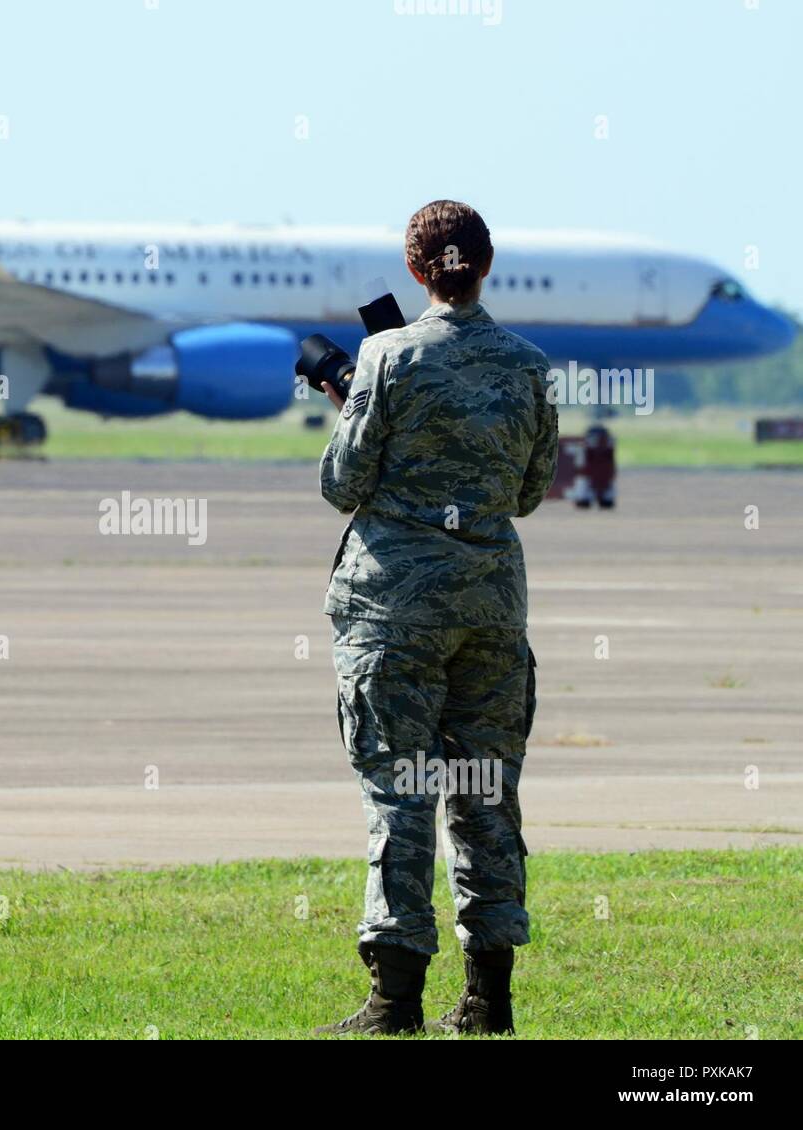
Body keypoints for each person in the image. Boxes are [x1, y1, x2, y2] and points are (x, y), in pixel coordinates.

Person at [314, 200, 558, 1036]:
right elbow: (528, 491)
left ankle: (394, 1002)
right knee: (486, 795)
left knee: (400, 792)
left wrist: (352, 399)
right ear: (484, 265)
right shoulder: (527, 365)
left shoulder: (387, 356)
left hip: (396, 610)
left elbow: (343, 483)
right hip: (491, 605)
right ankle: (490, 1000)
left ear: (419, 271)